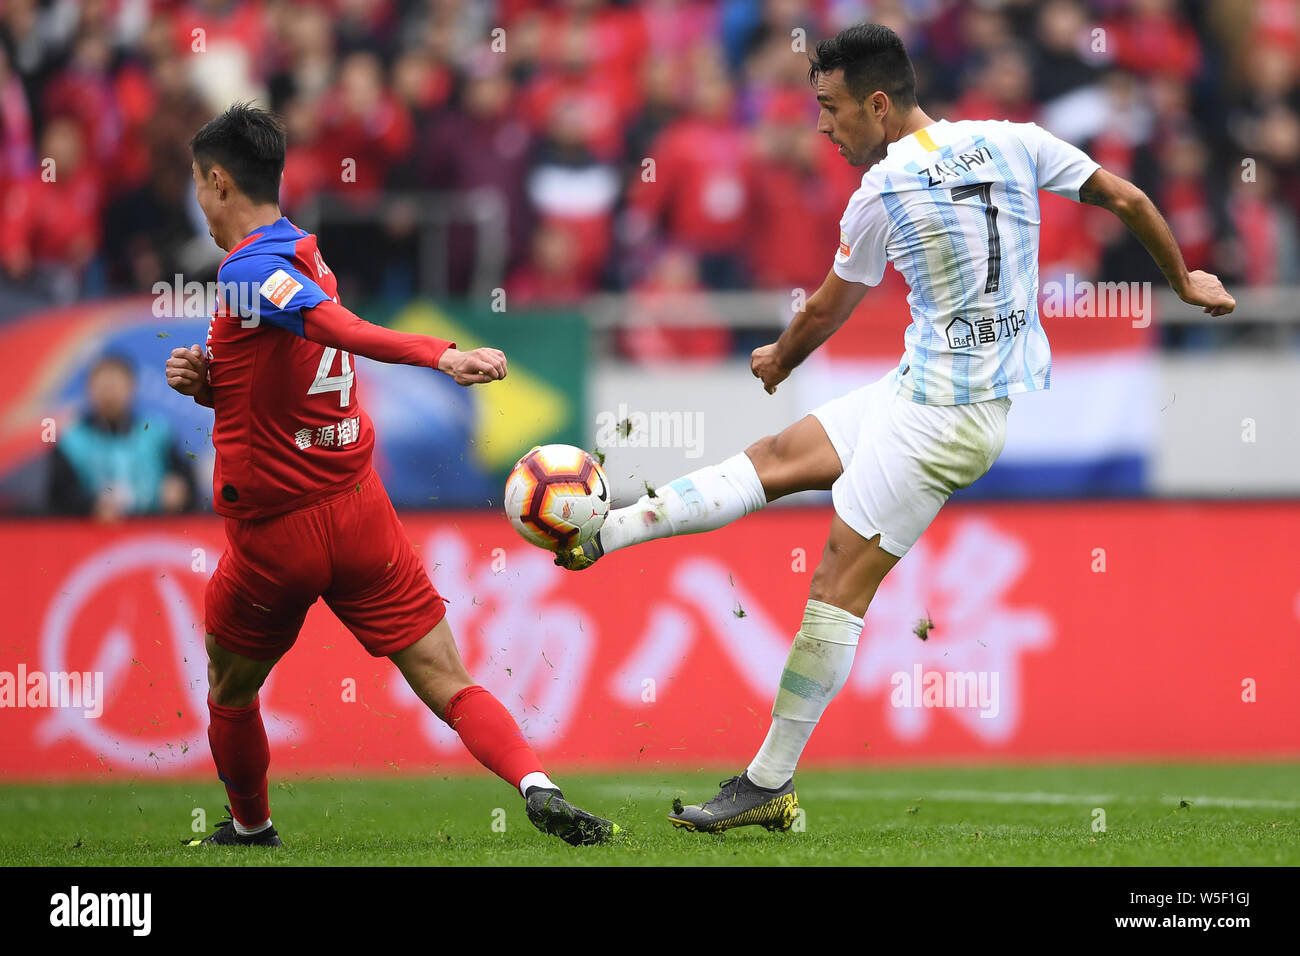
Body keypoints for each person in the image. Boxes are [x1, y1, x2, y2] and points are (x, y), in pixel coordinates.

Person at [554, 23, 1235, 833]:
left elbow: (826, 308)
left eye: (832, 108)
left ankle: (769, 782)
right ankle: (608, 533)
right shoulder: (1009, 140)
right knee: (777, 458)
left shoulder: (884, 189)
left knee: (836, 587)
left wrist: (777, 356)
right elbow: (1128, 198)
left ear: (878, 105)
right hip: (921, 390)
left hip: (942, 421)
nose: (822, 125)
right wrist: (1184, 279)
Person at [166, 103, 617, 847]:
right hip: (360, 509)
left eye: (196, 183)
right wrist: (212, 382)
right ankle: (537, 784)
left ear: (217, 182)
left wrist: (441, 354)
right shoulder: (307, 253)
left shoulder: (247, 267)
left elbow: (335, 330)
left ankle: (251, 827)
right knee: (448, 679)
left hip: (278, 532)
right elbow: (293, 372)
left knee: (230, 689)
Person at [48, 353, 196, 520]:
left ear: (132, 387)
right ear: (89, 389)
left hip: (155, 532)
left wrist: (180, 488)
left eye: (116, 384)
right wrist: (89, 507)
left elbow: (186, 479)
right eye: (103, 385)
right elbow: (58, 497)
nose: (109, 393)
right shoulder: (70, 440)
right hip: (93, 536)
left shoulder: (158, 432)